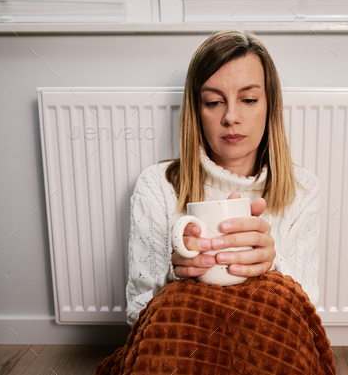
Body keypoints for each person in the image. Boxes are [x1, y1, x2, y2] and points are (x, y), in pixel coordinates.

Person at [125, 29, 322, 327]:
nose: (231, 116)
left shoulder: (303, 190)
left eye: (249, 99)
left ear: (270, 106)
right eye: (214, 102)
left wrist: (272, 265)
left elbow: (308, 319)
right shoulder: (157, 186)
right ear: (197, 111)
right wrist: (174, 273)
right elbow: (135, 316)